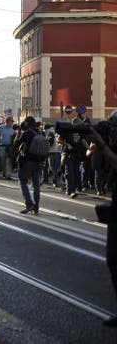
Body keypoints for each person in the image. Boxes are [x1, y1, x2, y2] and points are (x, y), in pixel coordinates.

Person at [85, 109, 117, 327]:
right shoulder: (111, 143)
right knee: (113, 260)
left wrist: (103, 145)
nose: (111, 129)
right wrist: (97, 144)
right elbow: (96, 165)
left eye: (114, 125)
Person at [13, 116, 43, 215]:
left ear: (26, 123)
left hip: (27, 161)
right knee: (36, 185)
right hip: (37, 162)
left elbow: (15, 144)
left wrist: (18, 133)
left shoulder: (27, 133)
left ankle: (29, 204)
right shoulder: (40, 133)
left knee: (22, 182)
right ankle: (36, 206)